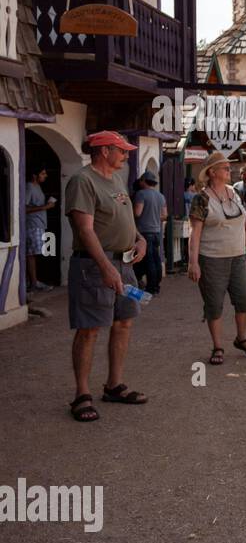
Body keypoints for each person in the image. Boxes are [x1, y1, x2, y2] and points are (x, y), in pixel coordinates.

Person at [64, 131, 150, 422]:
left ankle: (114, 385)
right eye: (121, 151)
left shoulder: (116, 179)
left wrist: (139, 238)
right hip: (93, 265)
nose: (126, 156)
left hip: (124, 264)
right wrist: (106, 267)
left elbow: (124, 218)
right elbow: (85, 230)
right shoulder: (83, 181)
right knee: (89, 329)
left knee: (123, 323)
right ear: (103, 151)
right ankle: (81, 395)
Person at [187, 153, 246, 364]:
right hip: (211, 259)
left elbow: (244, 222)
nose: (230, 171)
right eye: (226, 168)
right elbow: (195, 233)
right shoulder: (201, 198)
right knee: (214, 304)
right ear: (212, 172)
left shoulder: (234, 193)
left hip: (237, 257)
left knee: (244, 300)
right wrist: (193, 262)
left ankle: (242, 338)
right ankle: (218, 346)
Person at [131, 171, 167, 296]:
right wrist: (154, 218)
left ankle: (152, 287)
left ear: (144, 181)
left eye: (141, 180)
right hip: (157, 231)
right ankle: (156, 284)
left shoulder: (141, 194)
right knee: (156, 259)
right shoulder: (160, 196)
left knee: (149, 260)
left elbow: (137, 213)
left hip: (144, 232)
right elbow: (164, 215)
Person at [24, 167, 56, 292]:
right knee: (31, 254)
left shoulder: (37, 187)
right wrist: (45, 207)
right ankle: (33, 283)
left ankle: (32, 281)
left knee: (35, 254)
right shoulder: (29, 187)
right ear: (34, 175)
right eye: (42, 173)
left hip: (39, 224)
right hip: (32, 225)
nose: (45, 175)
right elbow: (24, 208)